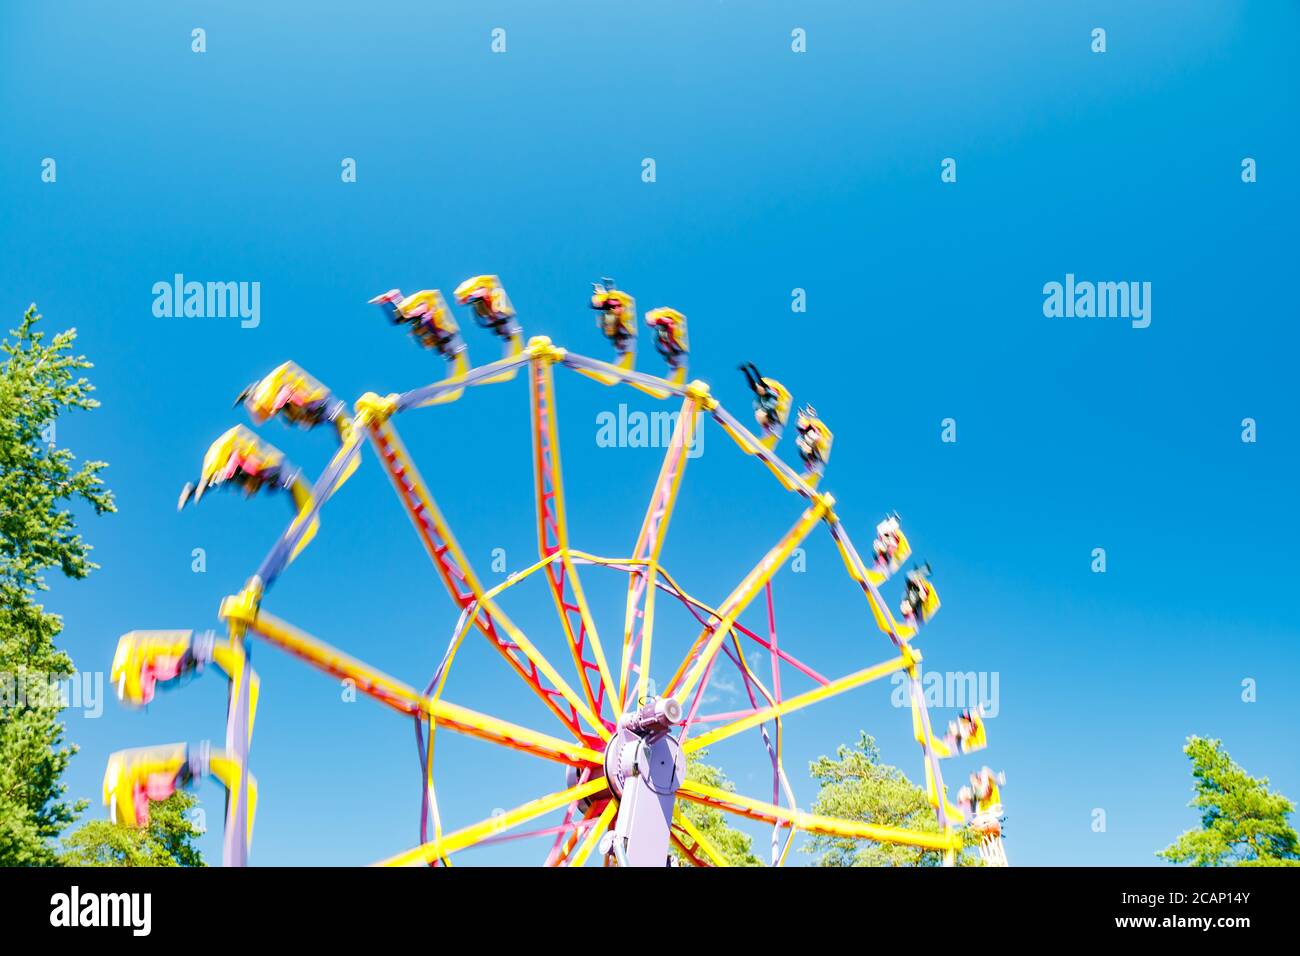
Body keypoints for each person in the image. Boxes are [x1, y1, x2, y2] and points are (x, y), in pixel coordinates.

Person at [739, 362, 781, 428]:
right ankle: (745, 370)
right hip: (765, 407)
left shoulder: (768, 392)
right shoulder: (759, 397)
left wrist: (753, 367)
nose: (759, 391)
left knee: (760, 384)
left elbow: (759, 378)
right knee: (754, 387)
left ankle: (772, 421)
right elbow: (757, 406)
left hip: (770, 401)